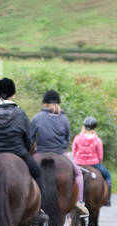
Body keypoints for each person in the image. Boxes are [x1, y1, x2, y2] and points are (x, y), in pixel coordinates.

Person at [0, 78, 49, 221]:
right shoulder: (20, 113)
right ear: (13, 95)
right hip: (16, 151)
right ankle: (40, 210)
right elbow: (28, 139)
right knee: (38, 173)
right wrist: (22, 150)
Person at [30, 89, 88, 218]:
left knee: (26, 173)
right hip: (61, 153)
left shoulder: (37, 118)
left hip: (40, 153)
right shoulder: (64, 118)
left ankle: (27, 202)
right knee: (78, 174)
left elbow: (30, 138)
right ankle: (79, 203)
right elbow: (67, 139)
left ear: (45, 104)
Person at [71, 116, 112, 207]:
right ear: (94, 128)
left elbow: (74, 151)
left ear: (84, 127)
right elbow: (100, 155)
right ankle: (107, 199)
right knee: (108, 175)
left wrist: (77, 159)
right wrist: (98, 161)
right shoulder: (97, 140)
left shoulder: (77, 138)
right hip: (93, 164)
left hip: (79, 163)